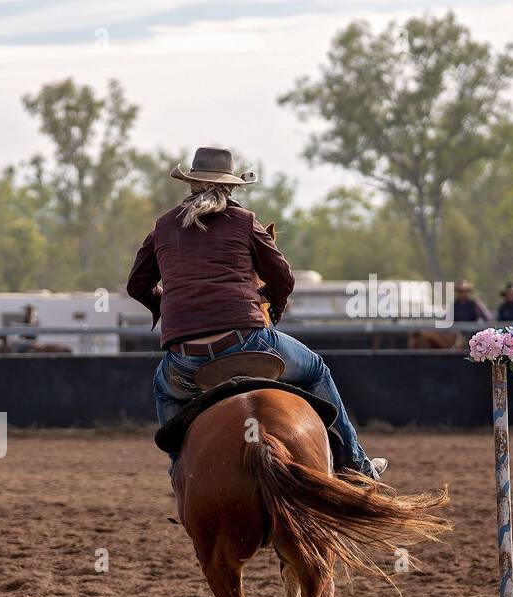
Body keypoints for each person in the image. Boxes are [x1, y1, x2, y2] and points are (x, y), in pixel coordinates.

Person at [126, 146, 385, 479]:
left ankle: (180, 473)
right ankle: (358, 467)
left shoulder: (163, 227)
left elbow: (136, 285)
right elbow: (283, 278)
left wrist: (169, 305)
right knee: (317, 370)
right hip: (247, 341)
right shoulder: (245, 221)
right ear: (231, 187)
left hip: (185, 357)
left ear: (190, 185)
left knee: (164, 389)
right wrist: (271, 303)